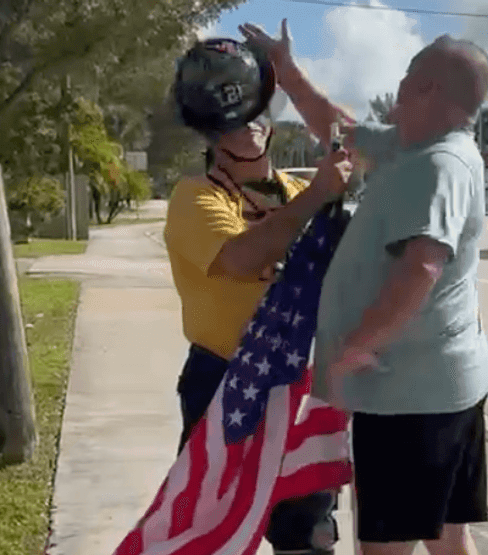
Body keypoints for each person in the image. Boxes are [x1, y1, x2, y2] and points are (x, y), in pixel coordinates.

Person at [240, 21, 488, 555]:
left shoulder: (437, 165)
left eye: (405, 79)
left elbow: (421, 268)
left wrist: (360, 344)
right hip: (441, 387)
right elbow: (337, 128)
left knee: (385, 543)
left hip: (408, 396)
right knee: (446, 530)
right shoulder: (414, 146)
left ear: (426, 91)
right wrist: (288, 74)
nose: (396, 90)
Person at [163, 37, 352, 555]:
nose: (247, 125)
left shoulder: (296, 191)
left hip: (296, 386)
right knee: (209, 533)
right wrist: (319, 195)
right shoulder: (195, 198)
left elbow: (361, 142)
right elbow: (240, 257)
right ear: (210, 135)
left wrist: (287, 73)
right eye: (231, 119)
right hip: (222, 383)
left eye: (254, 111)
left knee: (308, 538)